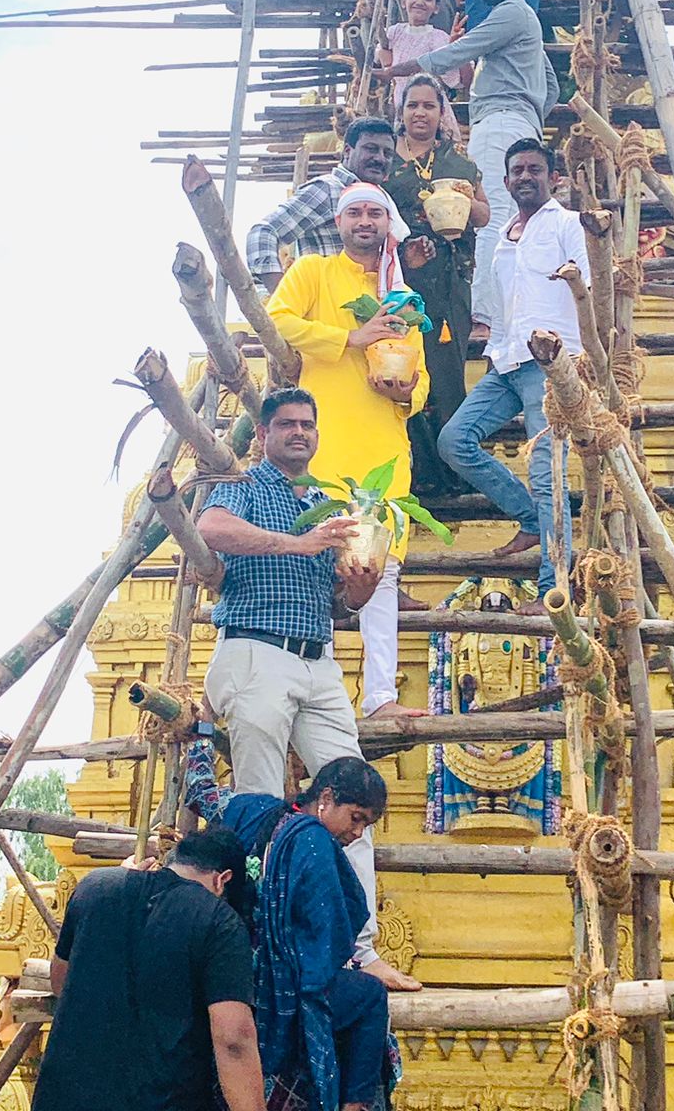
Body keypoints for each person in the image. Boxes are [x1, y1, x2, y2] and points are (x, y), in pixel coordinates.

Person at [197, 387, 419, 992]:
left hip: (317, 661)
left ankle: (359, 947)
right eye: (287, 424)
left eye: (308, 424)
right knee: (260, 802)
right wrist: (295, 542)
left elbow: (343, 601)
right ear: (264, 434)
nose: (300, 432)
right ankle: (262, 945)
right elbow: (209, 527)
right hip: (255, 650)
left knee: (354, 797)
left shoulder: (329, 505)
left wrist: (365, 584)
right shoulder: (243, 490)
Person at [267, 185, 430, 722]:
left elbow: (422, 377)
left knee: (380, 572)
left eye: (376, 212)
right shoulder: (313, 271)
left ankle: (380, 695)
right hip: (325, 443)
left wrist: (408, 394)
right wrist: (351, 339)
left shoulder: (402, 299)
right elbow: (278, 319)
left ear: (390, 223)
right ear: (339, 222)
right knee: (321, 561)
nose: (365, 221)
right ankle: (324, 701)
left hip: (384, 446)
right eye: (355, 212)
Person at [184, 751, 396, 1111]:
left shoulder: (254, 811)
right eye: (356, 818)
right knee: (371, 996)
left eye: (366, 825)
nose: (357, 832)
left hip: (231, 971)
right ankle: (355, 1106)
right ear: (326, 799)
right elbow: (329, 939)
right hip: (282, 991)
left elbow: (200, 792)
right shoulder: (315, 844)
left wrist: (202, 738)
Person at [375, 0, 558, 343]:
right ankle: (500, 312)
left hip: (500, 121)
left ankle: (483, 318)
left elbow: (455, 54)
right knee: (508, 218)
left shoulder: (510, 15)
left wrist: (394, 73)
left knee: (487, 215)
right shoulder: (524, 20)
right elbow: (552, 86)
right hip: (520, 122)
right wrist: (530, 113)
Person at [437, 141, 587, 603]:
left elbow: (590, 284)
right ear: (505, 183)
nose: (525, 176)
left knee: (549, 473)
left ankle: (552, 589)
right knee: (453, 441)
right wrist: (497, 346)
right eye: (517, 170)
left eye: (535, 170)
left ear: (553, 179)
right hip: (506, 360)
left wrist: (583, 361)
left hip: (551, 362)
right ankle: (530, 520)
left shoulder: (568, 224)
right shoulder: (503, 233)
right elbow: (504, 300)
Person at [32, 831, 262, 1111]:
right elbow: (233, 1040)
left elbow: (60, 983)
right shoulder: (219, 921)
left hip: (64, 1097)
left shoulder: (95, 888)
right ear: (222, 880)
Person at [384, 74, 489, 491]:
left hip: (448, 284)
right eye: (413, 106)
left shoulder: (456, 161)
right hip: (398, 281)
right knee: (401, 368)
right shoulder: (385, 162)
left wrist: (462, 199)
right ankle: (412, 472)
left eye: (429, 105)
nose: (420, 113)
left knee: (445, 372)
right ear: (401, 111)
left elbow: (484, 215)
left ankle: (451, 472)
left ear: (441, 112)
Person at [246, 117, 396, 295]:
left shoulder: (380, 199)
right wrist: (283, 295)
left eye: (387, 153)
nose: (379, 158)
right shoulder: (328, 190)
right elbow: (262, 233)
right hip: (321, 310)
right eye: (371, 149)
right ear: (347, 151)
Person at [376, 0, 462, 141]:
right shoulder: (395, 32)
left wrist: (453, 47)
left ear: (436, 7)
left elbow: (452, 79)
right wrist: (389, 68)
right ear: (404, 2)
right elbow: (381, 51)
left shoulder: (438, 37)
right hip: (403, 103)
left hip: (429, 104)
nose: (420, 2)